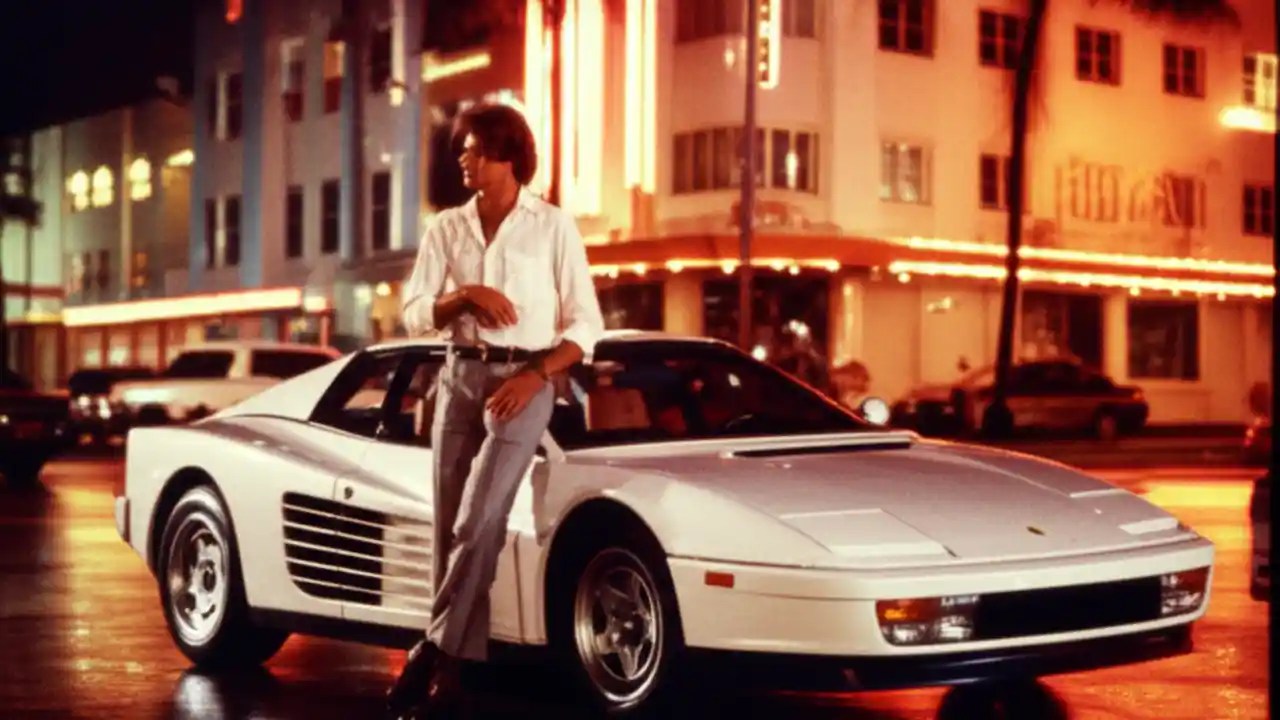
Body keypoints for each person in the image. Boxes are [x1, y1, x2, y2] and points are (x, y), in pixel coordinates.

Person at [385, 102, 605, 718]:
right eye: (464, 148)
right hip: (459, 379)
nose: (464, 157)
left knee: (478, 520)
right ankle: (455, 672)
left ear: (508, 156)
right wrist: (464, 296)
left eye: (476, 148)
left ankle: (430, 650)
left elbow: (586, 325)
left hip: (525, 381)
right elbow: (414, 312)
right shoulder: (446, 228)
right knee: (450, 529)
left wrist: (537, 375)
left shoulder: (553, 226)